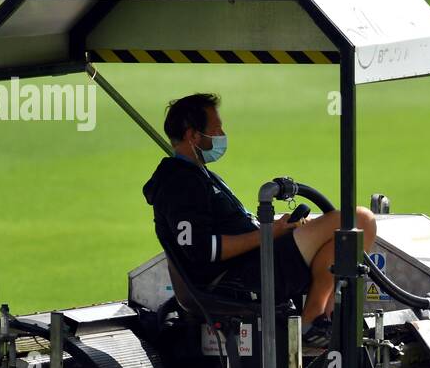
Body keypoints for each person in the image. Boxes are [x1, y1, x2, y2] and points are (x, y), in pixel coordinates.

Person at [141, 93, 377, 347]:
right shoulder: (180, 183)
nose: (222, 134)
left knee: (345, 234)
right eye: (216, 129)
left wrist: (278, 229)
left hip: (251, 262)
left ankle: (321, 320)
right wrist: (268, 233)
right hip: (238, 278)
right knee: (360, 219)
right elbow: (202, 249)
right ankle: (313, 320)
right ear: (193, 136)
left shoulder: (198, 175)